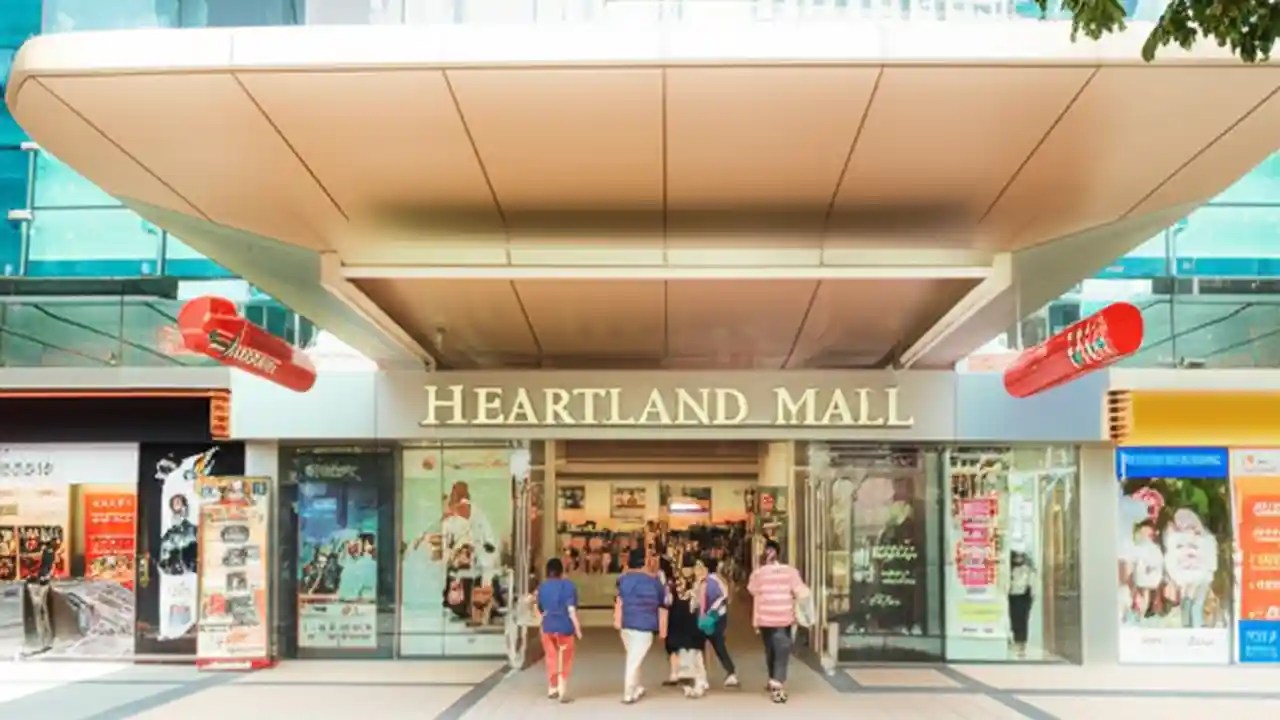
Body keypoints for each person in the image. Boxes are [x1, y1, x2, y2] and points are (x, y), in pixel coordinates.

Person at [747, 539, 808, 704]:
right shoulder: (790, 572)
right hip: (783, 617)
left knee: (770, 648)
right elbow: (801, 591)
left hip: (765, 617)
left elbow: (752, 590)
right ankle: (778, 684)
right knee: (782, 649)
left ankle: (773, 678)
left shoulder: (758, 573)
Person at [615, 548, 668, 704]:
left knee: (634, 656)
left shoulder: (623, 580)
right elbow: (662, 607)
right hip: (645, 625)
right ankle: (628, 692)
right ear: (645, 562)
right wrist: (663, 631)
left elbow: (619, 601)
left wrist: (617, 621)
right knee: (634, 659)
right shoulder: (655, 582)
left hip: (627, 624)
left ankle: (636, 687)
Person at [537, 558, 582, 703]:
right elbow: (571, 610)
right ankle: (563, 690)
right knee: (565, 658)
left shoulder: (543, 587)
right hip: (565, 627)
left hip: (548, 626)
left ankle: (552, 688)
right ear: (562, 571)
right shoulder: (568, 586)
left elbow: (541, 609)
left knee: (551, 657)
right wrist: (578, 628)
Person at [663, 557, 708, 697]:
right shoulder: (680, 584)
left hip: (690, 621)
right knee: (690, 651)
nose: (687, 571)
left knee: (694, 652)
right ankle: (696, 681)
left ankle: (698, 681)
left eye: (689, 568)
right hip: (682, 622)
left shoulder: (697, 584)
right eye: (685, 568)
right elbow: (668, 601)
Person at [696, 556, 738, 687]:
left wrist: (702, 616)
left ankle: (702, 675)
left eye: (700, 566)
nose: (697, 569)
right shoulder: (720, 580)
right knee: (718, 645)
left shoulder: (707, 582)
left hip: (710, 617)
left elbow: (703, 603)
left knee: (701, 645)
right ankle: (729, 671)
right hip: (719, 616)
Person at [1007, 551, 1035, 659]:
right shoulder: (1010, 569)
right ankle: (1016, 641)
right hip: (1013, 597)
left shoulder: (1027, 569)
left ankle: (1021, 644)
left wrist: (1031, 596)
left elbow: (1031, 584)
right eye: (1016, 557)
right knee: (1014, 619)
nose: (1018, 559)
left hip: (1024, 597)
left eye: (1020, 557)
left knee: (1022, 620)